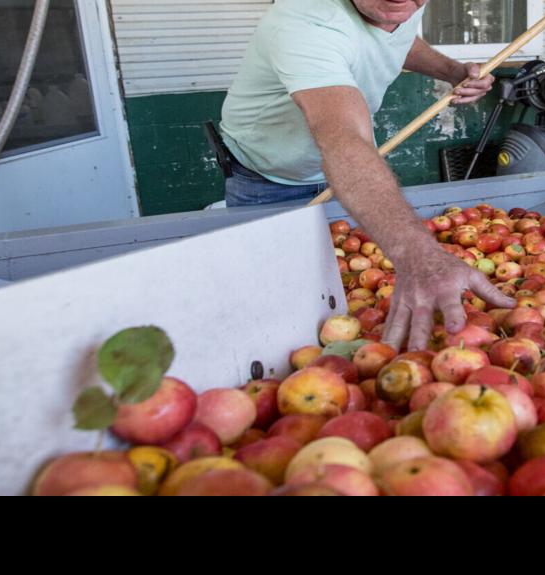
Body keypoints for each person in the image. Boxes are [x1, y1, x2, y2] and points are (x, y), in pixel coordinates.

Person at [218, 0, 514, 351]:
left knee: (349, 291)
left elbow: (396, 39)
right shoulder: (306, 21)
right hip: (271, 180)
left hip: (351, 180)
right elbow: (343, 139)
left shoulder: (396, 6)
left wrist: (451, 70)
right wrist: (419, 257)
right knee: (273, 315)